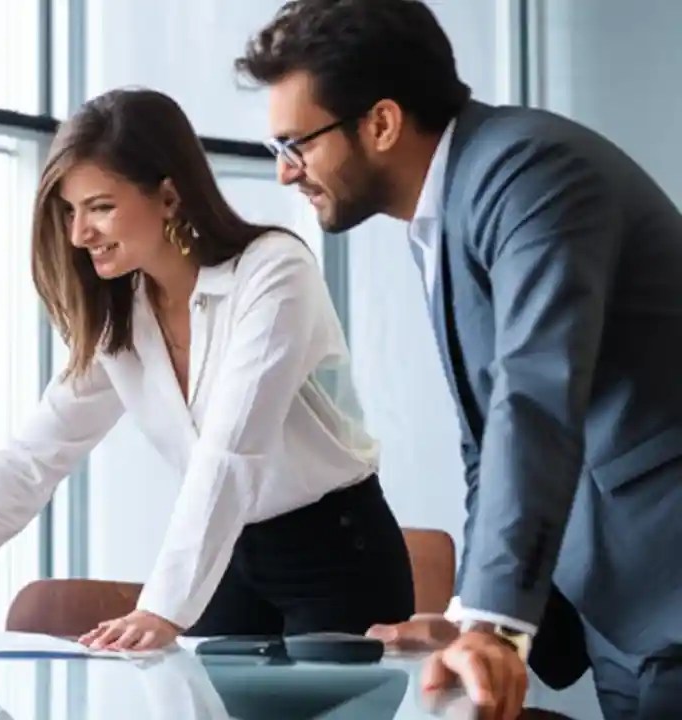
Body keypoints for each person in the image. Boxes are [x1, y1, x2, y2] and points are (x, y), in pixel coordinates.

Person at [236, 1, 682, 718]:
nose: (287, 174)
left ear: (380, 123)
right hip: (623, 612)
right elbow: (489, 443)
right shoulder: (450, 210)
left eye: (296, 145)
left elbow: (535, 399)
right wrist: (467, 612)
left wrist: (495, 624)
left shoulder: (530, 170)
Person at [0, 88, 414, 650]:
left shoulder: (273, 272)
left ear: (169, 197)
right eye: (70, 211)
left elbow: (231, 451)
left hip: (337, 556)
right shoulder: (123, 316)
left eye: (100, 207)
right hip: (228, 556)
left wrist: (161, 609)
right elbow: (31, 461)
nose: (78, 234)